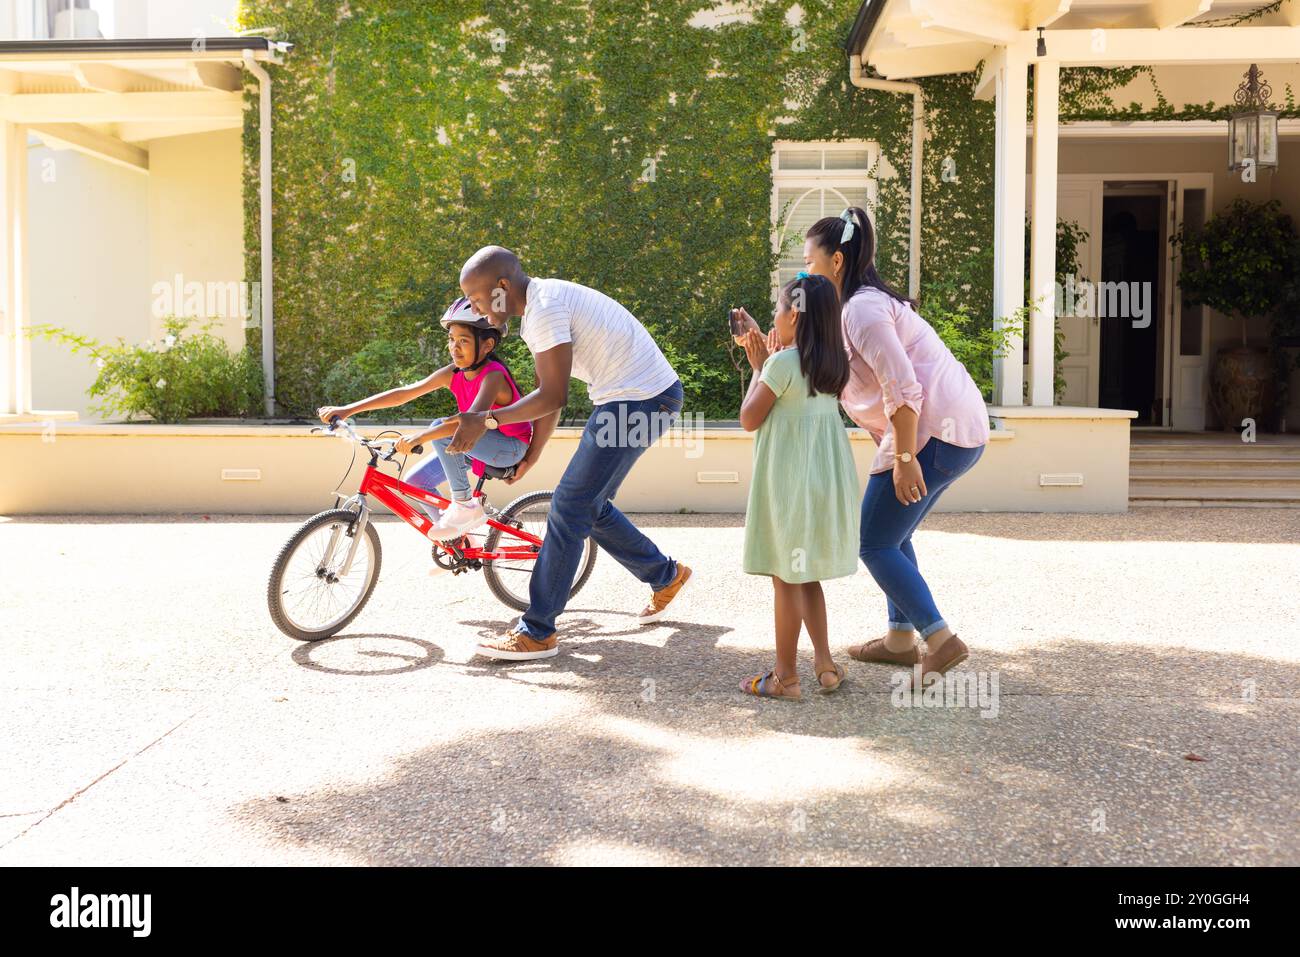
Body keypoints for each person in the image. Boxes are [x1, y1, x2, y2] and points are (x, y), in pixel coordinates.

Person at [451, 246, 692, 661]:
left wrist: (485, 420)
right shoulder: (541, 306)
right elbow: (553, 394)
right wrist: (532, 453)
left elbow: (552, 394)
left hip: (639, 400)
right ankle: (665, 575)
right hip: (637, 399)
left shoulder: (543, 309)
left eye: (476, 298)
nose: (474, 308)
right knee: (587, 506)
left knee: (570, 505)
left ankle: (537, 630)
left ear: (502, 287)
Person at [804, 207, 989, 682]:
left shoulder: (863, 309)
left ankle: (941, 640)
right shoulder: (852, 310)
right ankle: (900, 641)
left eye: (810, 261)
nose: (805, 272)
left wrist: (905, 459)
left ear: (837, 262)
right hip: (945, 432)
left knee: (873, 541)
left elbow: (902, 387)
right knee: (894, 536)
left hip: (934, 433)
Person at [734, 273, 859, 700]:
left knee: (785, 578)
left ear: (794, 314)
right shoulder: (832, 363)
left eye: (778, 309)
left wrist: (758, 368)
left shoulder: (782, 364)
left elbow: (750, 419)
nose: (773, 317)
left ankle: (785, 676)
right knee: (805, 575)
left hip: (789, 484)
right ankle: (825, 667)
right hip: (822, 479)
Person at [316, 297, 531, 539]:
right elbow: (405, 393)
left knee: (442, 427)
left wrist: (420, 437)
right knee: (416, 481)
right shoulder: (455, 373)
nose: (454, 347)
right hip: (478, 442)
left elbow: (470, 422)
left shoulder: (494, 376)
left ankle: (464, 505)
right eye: (451, 339)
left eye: (463, 340)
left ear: (487, 345)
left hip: (509, 447)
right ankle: (456, 539)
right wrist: (347, 409)